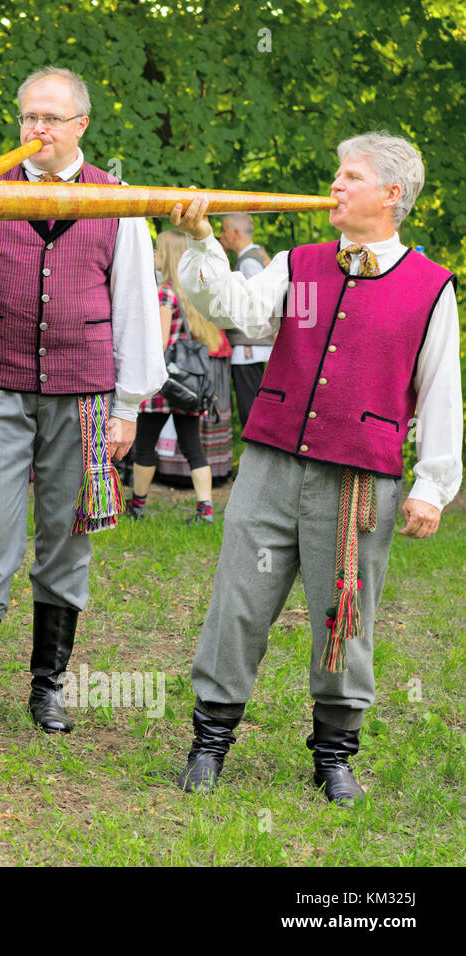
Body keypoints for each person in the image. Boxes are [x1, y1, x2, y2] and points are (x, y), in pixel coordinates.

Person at [171, 131, 461, 804]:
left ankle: (334, 757)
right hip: (271, 464)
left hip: (358, 482)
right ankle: (209, 743)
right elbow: (235, 314)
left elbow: (442, 388)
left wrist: (433, 485)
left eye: (349, 176)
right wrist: (202, 241)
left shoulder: (429, 287)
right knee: (237, 605)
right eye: (336, 174)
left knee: (344, 618)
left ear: (391, 195)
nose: (334, 185)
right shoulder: (299, 263)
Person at [0, 67, 166, 739]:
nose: (39, 129)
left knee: (67, 538)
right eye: (30, 117)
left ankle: (47, 689)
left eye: (53, 118)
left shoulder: (117, 199)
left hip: (83, 391)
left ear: (81, 125)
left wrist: (129, 403)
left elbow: (137, 307)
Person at [127, 229, 216, 524]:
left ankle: (137, 507)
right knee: (193, 447)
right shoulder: (195, 291)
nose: (153, 255)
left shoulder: (165, 292)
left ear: (167, 256)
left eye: (157, 250)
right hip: (188, 383)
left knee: (144, 445)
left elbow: (160, 342)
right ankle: (205, 511)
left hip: (164, 383)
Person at [216, 212, 274, 429]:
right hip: (258, 345)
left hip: (250, 346)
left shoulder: (249, 262)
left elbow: (258, 304)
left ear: (236, 232)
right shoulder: (260, 255)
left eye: (223, 230)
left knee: (250, 411)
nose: (221, 236)